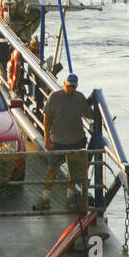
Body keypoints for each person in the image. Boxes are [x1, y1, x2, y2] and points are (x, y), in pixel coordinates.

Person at [32, 74, 94, 212]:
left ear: (76, 86)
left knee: (74, 171)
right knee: (52, 169)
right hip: (58, 141)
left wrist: (99, 112)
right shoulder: (55, 97)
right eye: (69, 85)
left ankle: (70, 197)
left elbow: (88, 114)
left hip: (76, 140)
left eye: (73, 86)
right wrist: (47, 138)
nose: (71, 88)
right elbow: (47, 118)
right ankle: (45, 198)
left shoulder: (79, 97)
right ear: (64, 84)